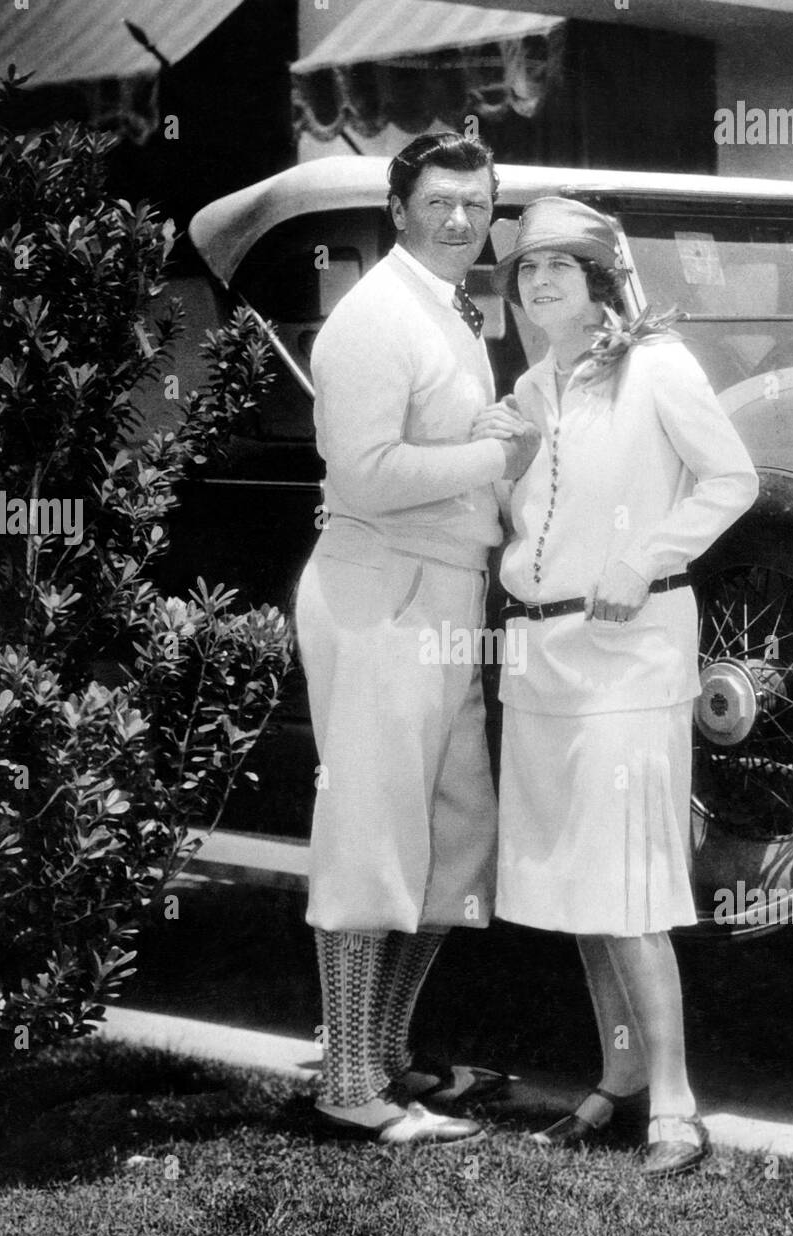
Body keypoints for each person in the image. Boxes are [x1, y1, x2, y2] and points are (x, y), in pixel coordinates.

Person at [477, 197, 758, 1174]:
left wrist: (644, 554)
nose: (539, 281)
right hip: (542, 657)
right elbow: (528, 523)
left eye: (560, 265)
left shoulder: (657, 365)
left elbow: (731, 480)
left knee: (632, 888)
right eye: (524, 269)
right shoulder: (531, 386)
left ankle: (675, 1101)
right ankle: (619, 1073)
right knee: (579, 886)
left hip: (631, 656)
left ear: (601, 277)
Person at [294, 134, 541, 1145]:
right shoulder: (372, 319)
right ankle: (346, 1086)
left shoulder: (446, 312)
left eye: (475, 205)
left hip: (446, 595)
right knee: (371, 835)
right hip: (377, 587)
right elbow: (363, 475)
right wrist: (491, 451)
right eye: (438, 201)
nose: (458, 219)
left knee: (454, 838)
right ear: (396, 209)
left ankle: (387, 1052)